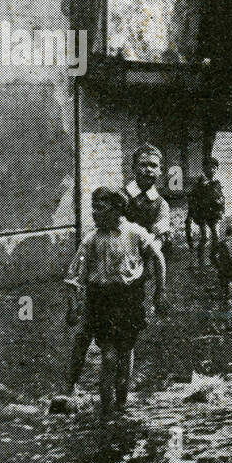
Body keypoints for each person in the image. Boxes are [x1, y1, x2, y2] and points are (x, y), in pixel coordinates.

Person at [67, 142, 172, 395]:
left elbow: (156, 245)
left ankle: (120, 392)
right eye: (143, 165)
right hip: (100, 273)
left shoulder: (161, 206)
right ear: (133, 167)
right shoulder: (117, 195)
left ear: (160, 171)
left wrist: (152, 279)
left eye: (154, 166)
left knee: (124, 342)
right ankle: (68, 388)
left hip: (131, 278)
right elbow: (94, 234)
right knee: (83, 334)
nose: (148, 171)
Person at [187, 156, 226, 264]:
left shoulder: (217, 183)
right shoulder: (200, 183)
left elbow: (221, 198)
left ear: (216, 169)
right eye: (209, 168)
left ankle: (213, 256)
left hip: (215, 213)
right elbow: (193, 198)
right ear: (204, 169)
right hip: (203, 214)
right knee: (205, 237)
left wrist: (222, 210)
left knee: (216, 236)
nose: (212, 170)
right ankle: (200, 256)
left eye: (214, 168)